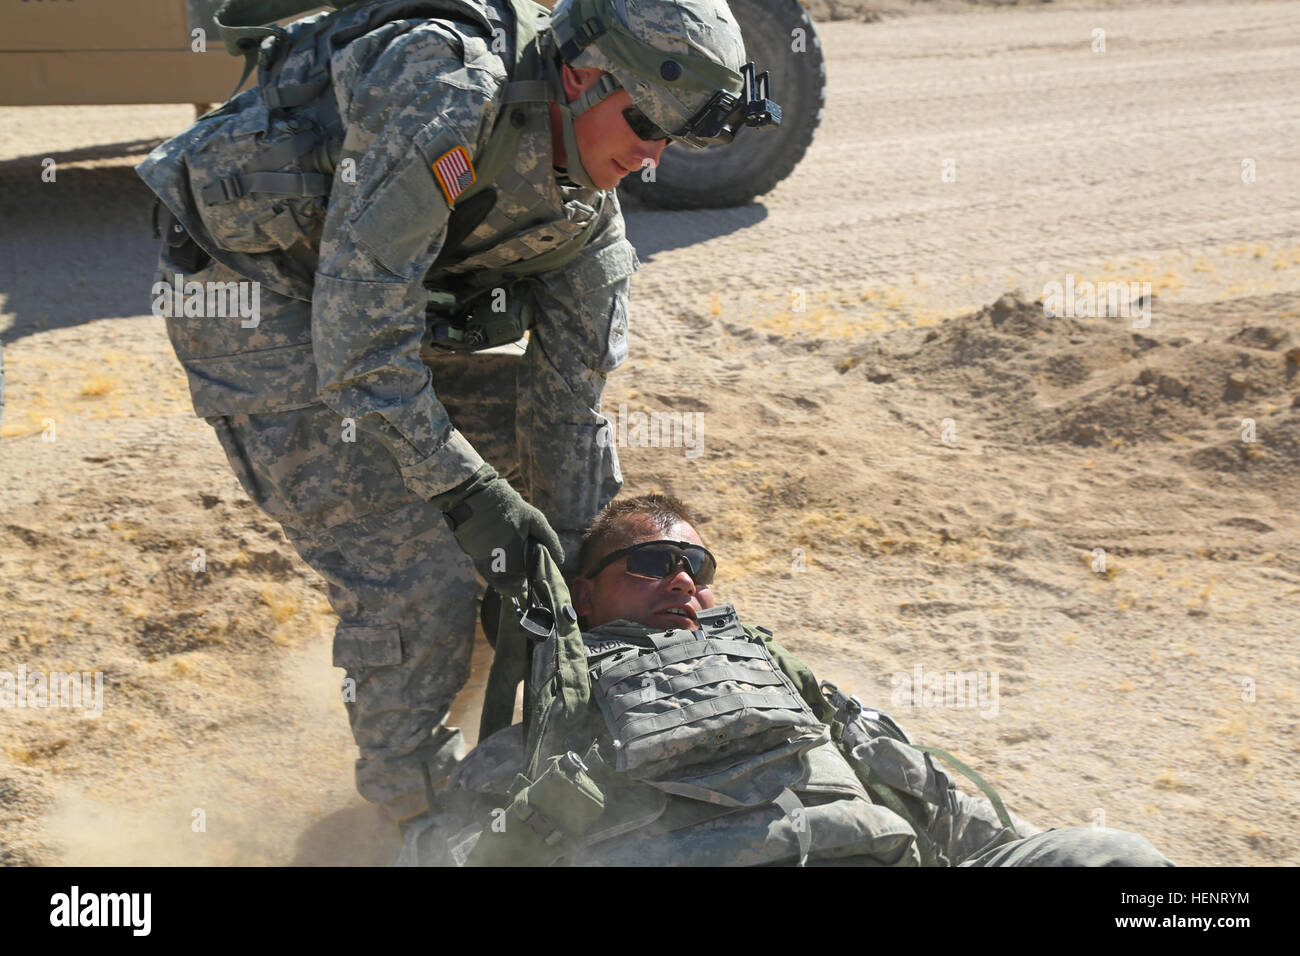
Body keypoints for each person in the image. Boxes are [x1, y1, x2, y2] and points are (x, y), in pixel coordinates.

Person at [134, 0, 778, 819]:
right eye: (645, 118)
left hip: (365, 302)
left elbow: (566, 416)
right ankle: (414, 807)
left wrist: (571, 571)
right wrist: (475, 503)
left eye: (674, 136)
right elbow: (362, 352)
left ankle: (526, 711)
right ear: (581, 76)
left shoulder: (587, 220)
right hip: (254, 291)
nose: (651, 153)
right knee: (421, 574)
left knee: (536, 522)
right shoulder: (442, 85)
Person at [401, 493, 1176, 866]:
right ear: (586, 598)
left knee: (1116, 858)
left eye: (695, 566)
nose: (679, 579)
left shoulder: (795, 690)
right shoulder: (548, 732)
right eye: (647, 562)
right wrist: (529, 829)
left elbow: (934, 802)